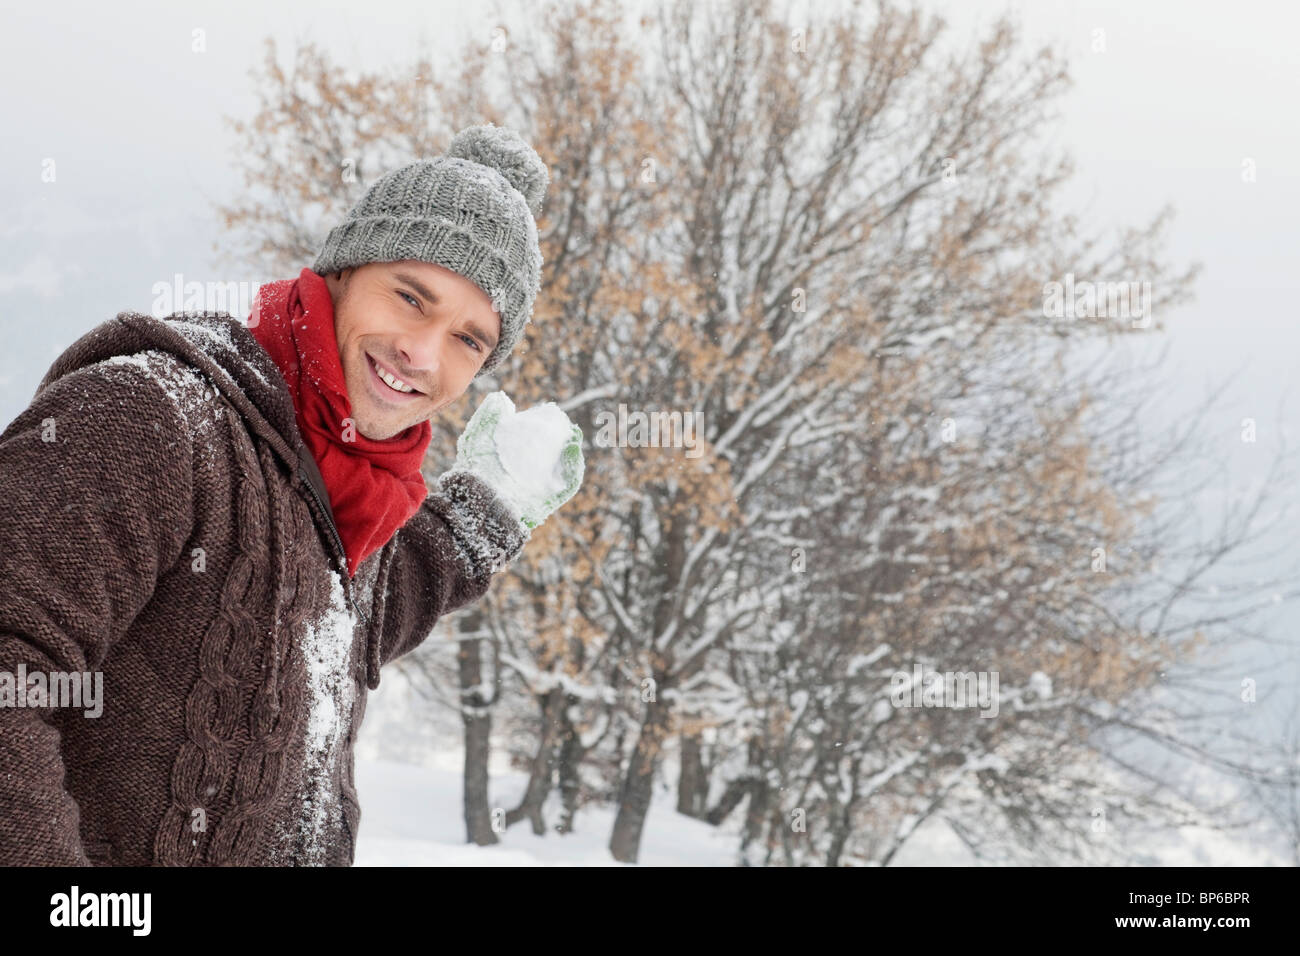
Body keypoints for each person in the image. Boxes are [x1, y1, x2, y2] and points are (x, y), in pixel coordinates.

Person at [0, 123, 583, 866]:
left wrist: (481, 518)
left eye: (469, 339)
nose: (423, 352)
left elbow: (325, 618)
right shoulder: (155, 416)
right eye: (411, 297)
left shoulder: (355, 488)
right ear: (342, 272)